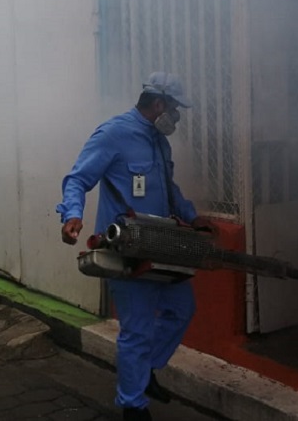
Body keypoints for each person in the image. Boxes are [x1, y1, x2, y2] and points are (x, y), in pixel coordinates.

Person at [56, 71, 216, 421]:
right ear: (158, 104)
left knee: (181, 310)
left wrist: (192, 215)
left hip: (162, 245)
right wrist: (72, 215)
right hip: (125, 248)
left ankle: (145, 373)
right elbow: (78, 178)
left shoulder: (160, 141)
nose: (176, 116)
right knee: (137, 329)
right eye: (174, 108)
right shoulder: (113, 133)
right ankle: (133, 405)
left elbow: (168, 188)